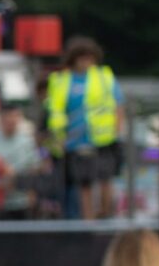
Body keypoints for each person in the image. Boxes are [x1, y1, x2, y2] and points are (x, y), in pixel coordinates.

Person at [45, 37, 126, 220]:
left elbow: (118, 106)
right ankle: (88, 222)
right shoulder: (61, 81)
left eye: (89, 57)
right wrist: (58, 140)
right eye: (82, 57)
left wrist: (117, 131)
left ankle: (106, 216)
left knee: (105, 179)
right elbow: (55, 112)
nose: (86, 61)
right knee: (84, 184)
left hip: (103, 138)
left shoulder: (104, 77)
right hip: (74, 141)